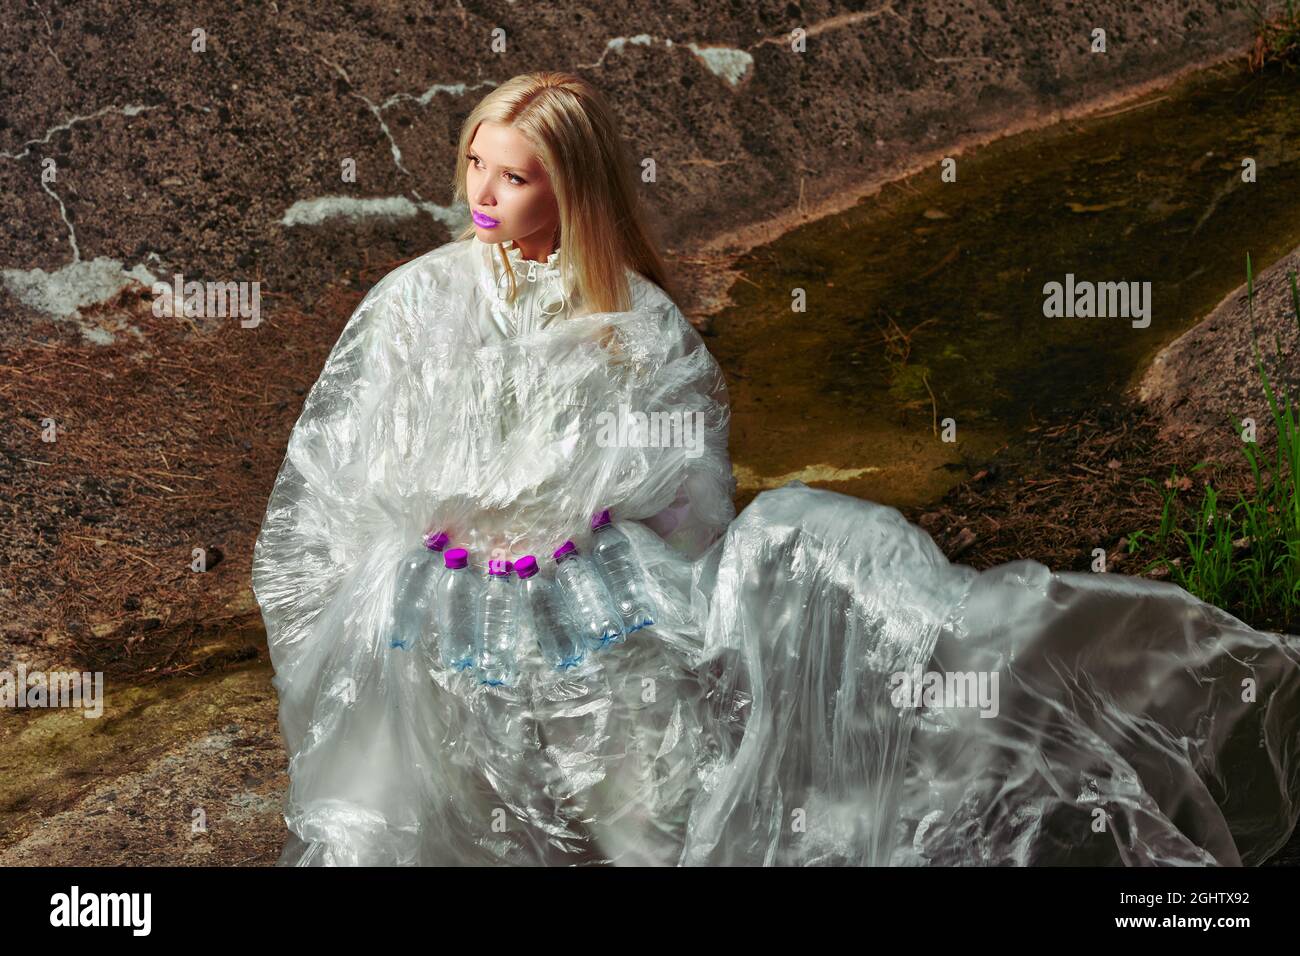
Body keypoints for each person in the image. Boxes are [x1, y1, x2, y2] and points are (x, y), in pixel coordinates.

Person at [251, 71, 1300, 866]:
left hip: (589, 585)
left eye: (514, 175)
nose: (484, 193)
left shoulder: (633, 323)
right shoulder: (421, 298)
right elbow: (355, 443)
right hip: (442, 586)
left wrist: (614, 525)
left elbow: (684, 472)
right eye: (475, 163)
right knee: (404, 789)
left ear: (572, 190)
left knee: (631, 784)